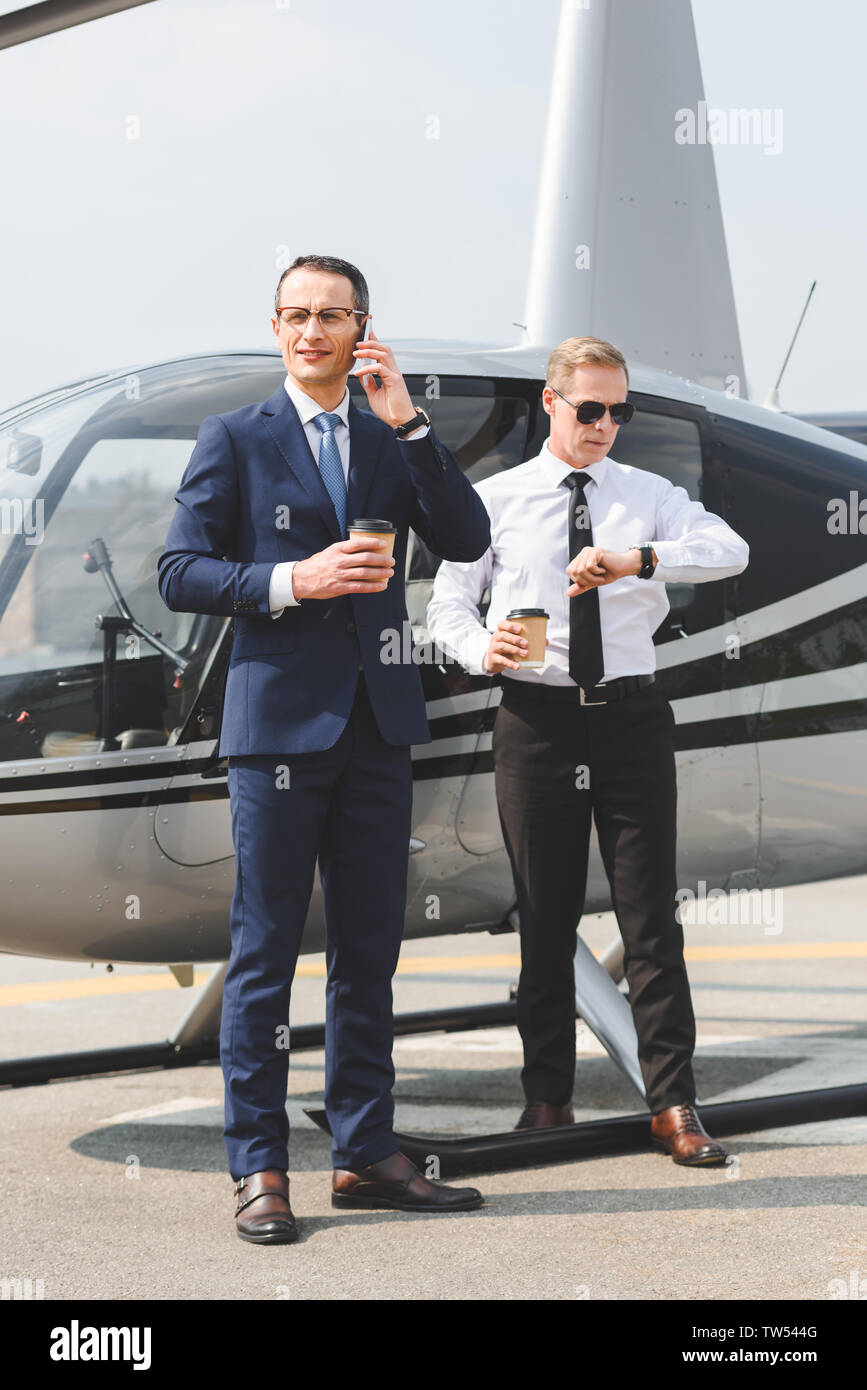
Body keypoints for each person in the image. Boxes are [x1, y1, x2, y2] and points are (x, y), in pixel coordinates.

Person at [158, 254, 491, 1242]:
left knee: (368, 954)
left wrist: (414, 425)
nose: (313, 331)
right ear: (276, 328)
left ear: (363, 329)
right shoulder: (234, 438)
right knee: (264, 957)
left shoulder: (392, 440)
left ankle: (365, 1150)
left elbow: (468, 539)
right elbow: (180, 570)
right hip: (276, 738)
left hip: (380, 730)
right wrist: (293, 579)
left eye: (332, 316)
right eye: (297, 315)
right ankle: (259, 1167)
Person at [426, 336, 749, 1166]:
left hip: (631, 719)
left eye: (619, 410)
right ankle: (547, 1100)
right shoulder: (494, 499)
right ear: (550, 403)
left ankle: (673, 1104)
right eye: (590, 408)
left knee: (650, 920)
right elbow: (447, 606)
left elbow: (728, 550)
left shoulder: (647, 494)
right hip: (535, 721)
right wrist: (478, 651)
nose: (606, 425)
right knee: (544, 916)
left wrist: (639, 558)